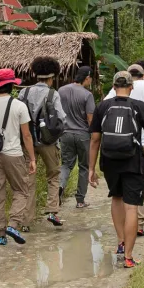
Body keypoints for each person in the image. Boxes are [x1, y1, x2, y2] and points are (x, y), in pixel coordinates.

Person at [89, 70, 144, 269]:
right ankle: (129, 257)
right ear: (131, 87)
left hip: (109, 160)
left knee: (116, 198)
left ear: (114, 87)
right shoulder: (140, 107)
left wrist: (91, 168)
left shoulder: (103, 106)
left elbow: (95, 139)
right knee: (131, 207)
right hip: (133, 160)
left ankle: (121, 243)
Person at [103, 64, 144, 237]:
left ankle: (122, 232)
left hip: (119, 145)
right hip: (143, 142)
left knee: (118, 194)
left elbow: (104, 107)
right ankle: (139, 222)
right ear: (143, 75)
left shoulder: (116, 90)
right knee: (143, 182)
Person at [0, 68, 35, 245]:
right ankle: (13, 224)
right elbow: (26, 135)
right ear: (12, 86)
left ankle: (1, 234)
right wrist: (32, 159)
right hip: (14, 154)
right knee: (22, 190)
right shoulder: (19, 106)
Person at [18, 56, 68, 227]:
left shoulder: (23, 93)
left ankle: (26, 221)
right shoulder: (53, 94)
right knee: (53, 175)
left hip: (27, 143)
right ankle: (52, 211)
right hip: (48, 142)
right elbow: (62, 118)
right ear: (51, 77)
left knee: (28, 180)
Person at [57, 65, 96, 208]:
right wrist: (94, 136)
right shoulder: (87, 95)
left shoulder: (61, 90)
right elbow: (90, 118)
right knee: (84, 167)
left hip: (65, 133)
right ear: (87, 77)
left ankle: (60, 187)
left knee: (66, 164)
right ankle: (80, 200)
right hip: (82, 134)